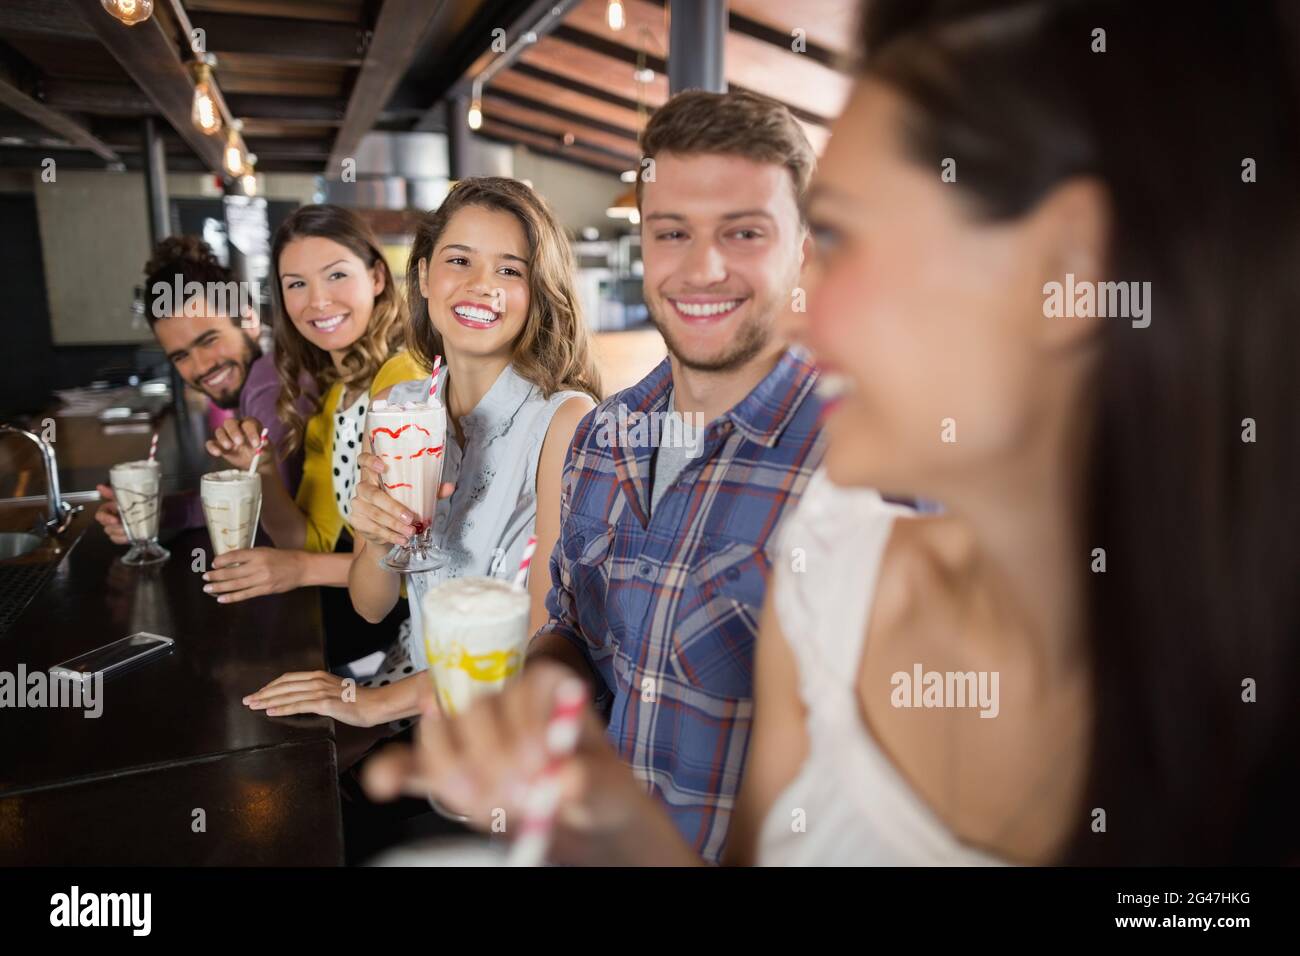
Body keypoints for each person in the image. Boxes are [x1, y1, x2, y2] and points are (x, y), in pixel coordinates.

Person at [368, 0, 1300, 866]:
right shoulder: (818, 555)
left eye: (830, 237)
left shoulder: (870, 489)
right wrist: (601, 802)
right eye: (668, 232)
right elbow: (570, 625)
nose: (803, 325)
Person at [363, 89, 829, 863]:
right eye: (672, 231)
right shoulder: (608, 437)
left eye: (744, 232)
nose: (702, 266)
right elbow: (572, 626)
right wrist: (540, 693)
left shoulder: (858, 465)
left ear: (803, 248)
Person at [242, 178, 601, 728]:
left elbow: (543, 636)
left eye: (510, 269)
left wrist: (375, 702)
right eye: (460, 260)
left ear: (538, 291)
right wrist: (381, 542)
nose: (483, 286)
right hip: (422, 687)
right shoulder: (395, 404)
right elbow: (372, 603)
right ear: (425, 276)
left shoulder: (564, 420)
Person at [203, 205, 422, 665]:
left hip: (418, 638)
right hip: (366, 626)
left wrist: (298, 571)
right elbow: (307, 540)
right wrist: (260, 471)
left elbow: (420, 564)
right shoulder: (335, 398)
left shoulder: (405, 381)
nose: (317, 301)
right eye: (296, 284)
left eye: (336, 275)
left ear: (377, 278)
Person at [94, 236, 309, 544]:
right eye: (180, 356)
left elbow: (261, 506)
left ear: (248, 319)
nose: (200, 367)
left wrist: (160, 512)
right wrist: (154, 512)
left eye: (209, 340)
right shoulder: (264, 365)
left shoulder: (268, 380)